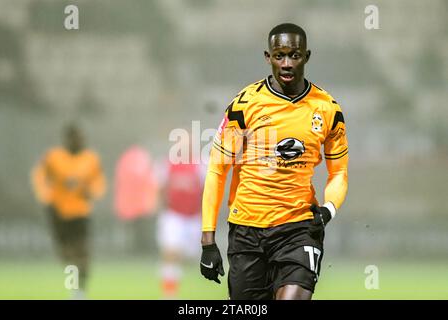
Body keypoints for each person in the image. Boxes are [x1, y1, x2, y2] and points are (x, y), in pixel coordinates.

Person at [200, 23, 349, 300]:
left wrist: (328, 210)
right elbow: (217, 170)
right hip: (247, 232)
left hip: (299, 229)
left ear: (307, 56)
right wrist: (208, 239)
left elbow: (338, 173)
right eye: (279, 55)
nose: (287, 63)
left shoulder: (328, 109)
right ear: (268, 57)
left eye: (294, 55)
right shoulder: (244, 106)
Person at [31, 124, 106, 299]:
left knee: (82, 253)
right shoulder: (54, 157)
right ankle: (75, 281)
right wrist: (45, 196)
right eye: (76, 138)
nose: (80, 141)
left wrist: (92, 192)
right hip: (59, 213)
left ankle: (79, 292)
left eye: (82, 138)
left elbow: (99, 182)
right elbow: (39, 175)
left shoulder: (91, 158)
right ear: (67, 140)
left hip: (80, 212)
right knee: (65, 255)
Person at [156, 149, 206, 299]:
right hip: (173, 215)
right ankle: (169, 294)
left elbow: (208, 189)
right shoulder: (167, 163)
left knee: (190, 255)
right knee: (171, 253)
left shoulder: (201, 164)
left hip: (193, 217)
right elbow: (160, 188)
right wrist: (161, 208)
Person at [114, 145, 159, 253]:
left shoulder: (131, 161)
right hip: (133, 206)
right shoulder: (136, 161)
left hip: (139, 206)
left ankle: (140, 250)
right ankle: (133, 250)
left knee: (140, 230)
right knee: (133, 230)